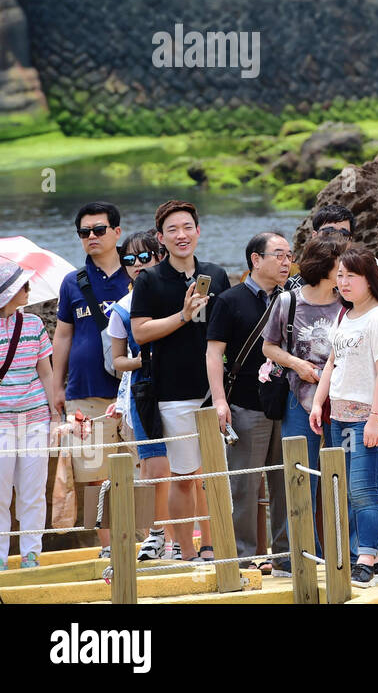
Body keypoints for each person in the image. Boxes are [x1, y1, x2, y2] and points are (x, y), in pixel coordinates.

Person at [130, 200, 231, 562]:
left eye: (187, 227)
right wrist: (183, 315)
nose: (181, 235)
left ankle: (218, 547)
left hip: (215, 391)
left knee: (217, 476)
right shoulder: (150, 281)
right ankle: (186, 551)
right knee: (184, 476)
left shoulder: (216, 274)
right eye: (172, 230)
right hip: (172, 392)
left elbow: (226, 329)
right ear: (161, 238)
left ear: (198, 231)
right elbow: (140, 332)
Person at [309, 246, 378, 587]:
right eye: (341, 275)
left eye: (352, 276)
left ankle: (367, 558)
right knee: (346, 488)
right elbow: (333, 363)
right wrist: (319, 403)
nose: (343, 283)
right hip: (340, 416)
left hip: (367, 417)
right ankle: (366, 557)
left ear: (369, 279)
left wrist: (375, 418)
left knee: (364, 489)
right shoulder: (344, 316)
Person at [206, 233, 291, 575]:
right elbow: (214, 353)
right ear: (256, 259)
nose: (286, 262)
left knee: (288, 482)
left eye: (289, 256)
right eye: (279, 255)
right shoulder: (229, 300)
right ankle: (240, 559)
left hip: (286, 405)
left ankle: (286, 557)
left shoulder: (292, 298)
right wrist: (220, 401)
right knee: (243, 486)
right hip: (244, 405)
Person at [51, 202, 130, 557]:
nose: (92, 237)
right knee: (93, 476)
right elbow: (63, 335)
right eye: (84, 232)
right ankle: (109, 548)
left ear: (117, 231)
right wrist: (57, 386)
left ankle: (140, 542)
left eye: (99, 230)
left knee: (137, 468)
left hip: (131, 390)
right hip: (84, 391)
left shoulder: (137, 277)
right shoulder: (72, 282)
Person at [262, 233, 349, 550]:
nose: (345, 272)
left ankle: (344, 552)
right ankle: (299, 553)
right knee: (300, 475)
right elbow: (268, 347)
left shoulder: (348, 302)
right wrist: (297, 365)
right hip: (298, 398)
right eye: (340, 265)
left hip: (341, 400)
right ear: (325, 266)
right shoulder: (289, 301)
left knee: (344, 474)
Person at [105, 231, 180, 561]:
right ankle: (158, 537)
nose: (137, 265)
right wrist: (143, 360)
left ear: (160, 256)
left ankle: (191, 542)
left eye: (145, 257)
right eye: (129, 260)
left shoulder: (176, 296)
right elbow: (117, 361)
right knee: (154, 470)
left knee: (189, 469)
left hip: (183, 389)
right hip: (143, 393)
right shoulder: (120, 310)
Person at [0, 262, 58, 570]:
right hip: (1, 421)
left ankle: (30, 555)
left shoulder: (34, 324)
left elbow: (46, 373)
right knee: (0, 492)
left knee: (33, 491)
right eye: (22, 286)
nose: (28, 290)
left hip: (35, 418)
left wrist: (56, 415)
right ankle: (0, 557)